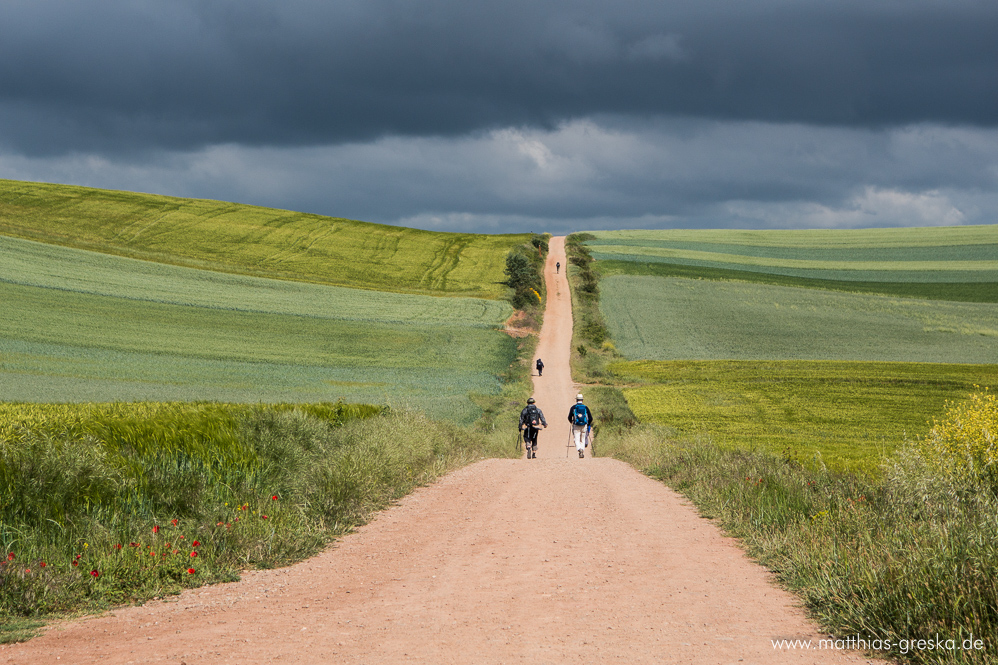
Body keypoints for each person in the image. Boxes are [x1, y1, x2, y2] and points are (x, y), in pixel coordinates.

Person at [567, 393, 594, 458]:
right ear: (582, 400)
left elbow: (569, 417)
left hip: (576, 425)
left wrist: (571, 422)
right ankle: (582, 450)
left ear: (576, 400)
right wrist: (588, 424)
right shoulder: (585, 407)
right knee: (583, 438)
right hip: (584, 425)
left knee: (577, 438)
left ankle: (579, 449)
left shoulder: (573, 407)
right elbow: (590, 418)